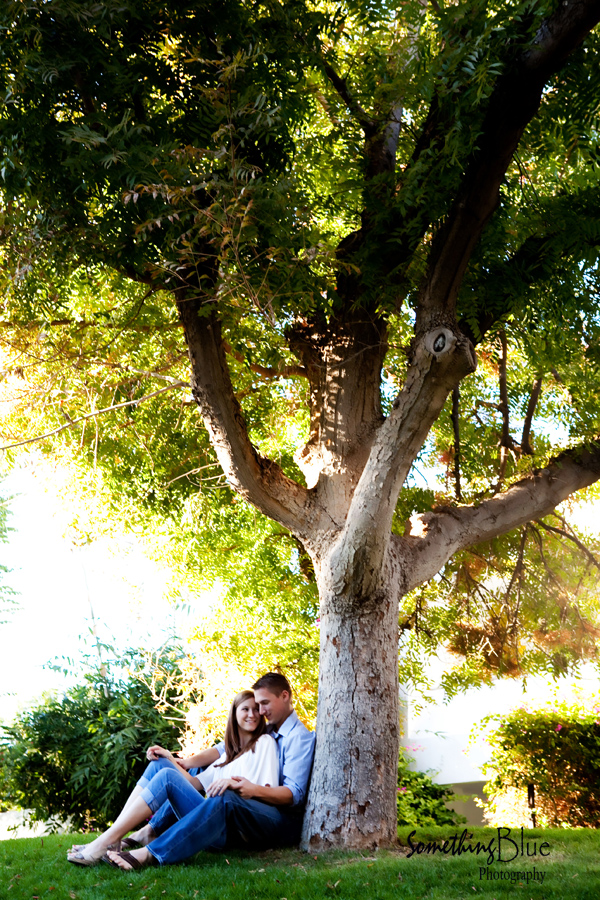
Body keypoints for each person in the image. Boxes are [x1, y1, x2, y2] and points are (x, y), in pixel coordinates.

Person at [104, 672, 315, 871]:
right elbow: (225, 749)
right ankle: (118, 834)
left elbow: (293, 795)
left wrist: (249, 788)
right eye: (253, 707)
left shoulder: (297, 738)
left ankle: (150, 853)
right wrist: (179, 761)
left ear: (285, 696)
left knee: (226, 796)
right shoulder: (265, 730)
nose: (258, 712)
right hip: (242, 812)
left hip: (275, 819)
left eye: (263, 704)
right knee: (164, 768)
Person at [67, 689, 278, 867]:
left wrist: (236, 785)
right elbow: (194, 784)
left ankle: (109, 839)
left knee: (167, 775)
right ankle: (114, 836)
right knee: (160, 765)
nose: (252, 714)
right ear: (234, 714)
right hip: (209, 818)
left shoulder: (265, 742)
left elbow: (266, 791)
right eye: (245, 709)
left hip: (226, 828)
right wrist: (170, 757)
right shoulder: (226, 755)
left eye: (255, 709)